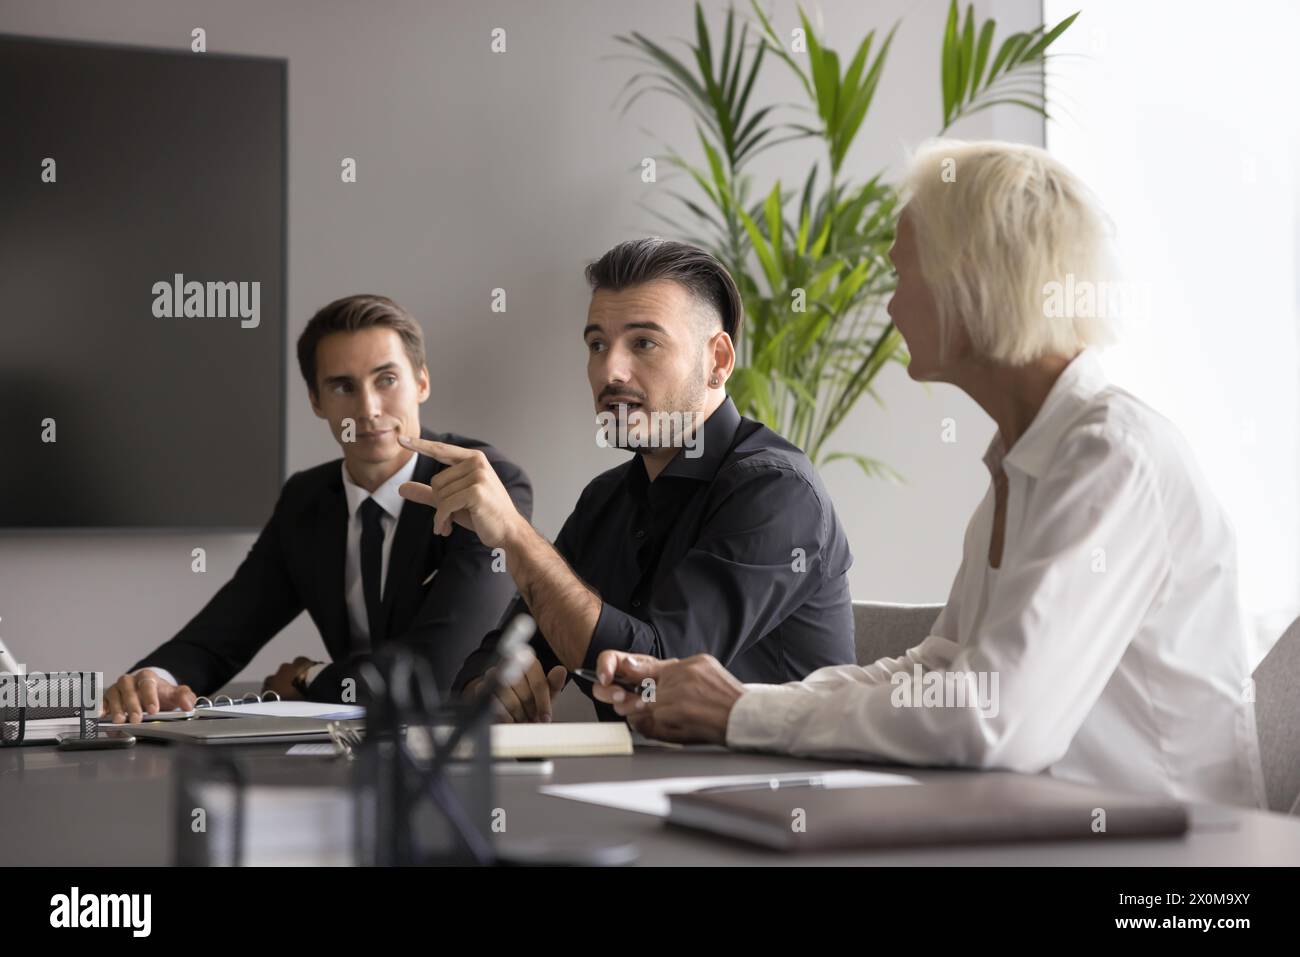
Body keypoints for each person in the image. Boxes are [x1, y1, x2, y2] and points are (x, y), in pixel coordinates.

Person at [590, 141, 1266, 808]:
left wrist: (740, 713)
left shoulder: (1114, 455)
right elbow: (940, 668)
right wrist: (737, 701)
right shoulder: (1026, 459)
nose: (889, 308)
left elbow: (996, 721)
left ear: (971, 281)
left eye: (902, 276)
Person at [398, 238, 856, 722]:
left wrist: (513, 534)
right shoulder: (606, 498)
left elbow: (652, 680)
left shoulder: (776, 491)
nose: (609, 371)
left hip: (771, 788)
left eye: (644, 343)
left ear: (718, 361)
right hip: (637, 782)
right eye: (597, 344)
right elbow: (510, 648)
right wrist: (491, 687)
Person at [102, 294, 531, 721]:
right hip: (343, 753)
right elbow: (221, 635)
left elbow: (435, 673)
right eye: (343, 386)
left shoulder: (484, 482)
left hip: (458, 752)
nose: (368, 409)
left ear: (421, 382)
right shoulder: (306, 503)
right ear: (315, 400)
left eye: (386, 379)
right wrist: (153, 679)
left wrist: (310, 676)